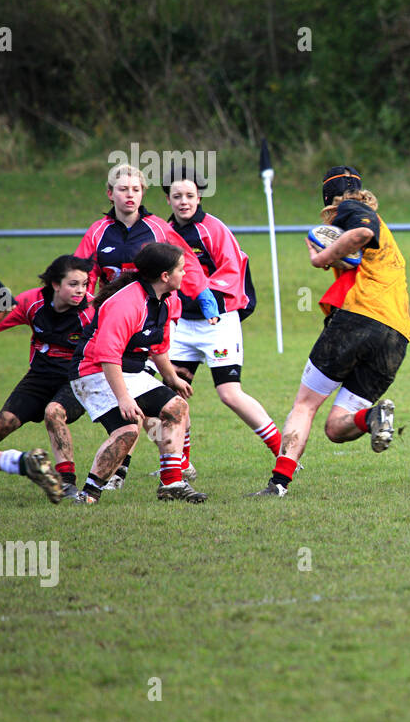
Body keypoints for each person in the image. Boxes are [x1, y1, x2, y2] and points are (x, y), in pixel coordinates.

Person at [250, 166, 409, 497]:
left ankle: (279, 484)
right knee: (337, 427)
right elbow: (354, 254)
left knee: (305, 405)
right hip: (396, 337)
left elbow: (359, 235)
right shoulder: (386, 236)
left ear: (330, 201)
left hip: (358, 320)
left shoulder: (352, 210)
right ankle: (373, 417)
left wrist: (320, 256)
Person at [74, 163, 220, 490]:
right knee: (134, 404)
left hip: (152, 319)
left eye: (136, 189)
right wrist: (85, 309)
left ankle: (172, 467)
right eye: (123, 189)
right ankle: (140, 470)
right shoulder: (98, 232)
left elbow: (187, 265)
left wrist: (204, 296)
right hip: (114, 323)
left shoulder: (156, 229)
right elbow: (82, 273)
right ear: (110, 194)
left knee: (160, 399)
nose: (130, 195)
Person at [163, 163, 281, 473]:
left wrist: (206, 301)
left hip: (218, 324)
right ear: (168, 200)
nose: (184, 201)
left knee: (229, 394)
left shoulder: (213, 229)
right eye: (177, 196)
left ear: (199, 196)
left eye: (190, 195)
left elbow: (232, 272)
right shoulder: (164, 231)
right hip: (182, 326)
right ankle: (181, 464)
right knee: (173, 394)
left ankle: (285, 453)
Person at [68, 243, 203, 503]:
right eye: (181, 270)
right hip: (93, 372)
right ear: (165, 276)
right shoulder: (126, 303)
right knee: (129, 429)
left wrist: (172, 378)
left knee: (177, 407)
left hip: (129, 370)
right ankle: (88, 494)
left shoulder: (167, 298)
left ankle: (172, 483)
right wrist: (124, 398)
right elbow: (107, 356)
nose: (184, 274)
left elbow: (158, 346)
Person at [0, 255, 93, 498]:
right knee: (3, 423)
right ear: (55, 284)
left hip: (76, 378)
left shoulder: (91, 312)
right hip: (39, 376)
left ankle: (66, 482)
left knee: (54, 413)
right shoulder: (32, 302)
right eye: (73, 284)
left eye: (84, 284)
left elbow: (111, 348)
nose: (80, 290)